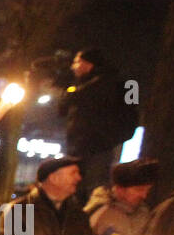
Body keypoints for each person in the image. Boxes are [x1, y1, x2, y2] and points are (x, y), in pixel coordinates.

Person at [58, 49, 137, 200]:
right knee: (79, 190)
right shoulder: (83, 85)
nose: (73, 66)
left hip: (95, 147)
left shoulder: (107, 84)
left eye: (76, 62)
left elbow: (130, 113)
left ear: (88, 64)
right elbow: (63, 108)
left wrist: (108, 139)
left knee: (92, 189)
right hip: (83, 147)